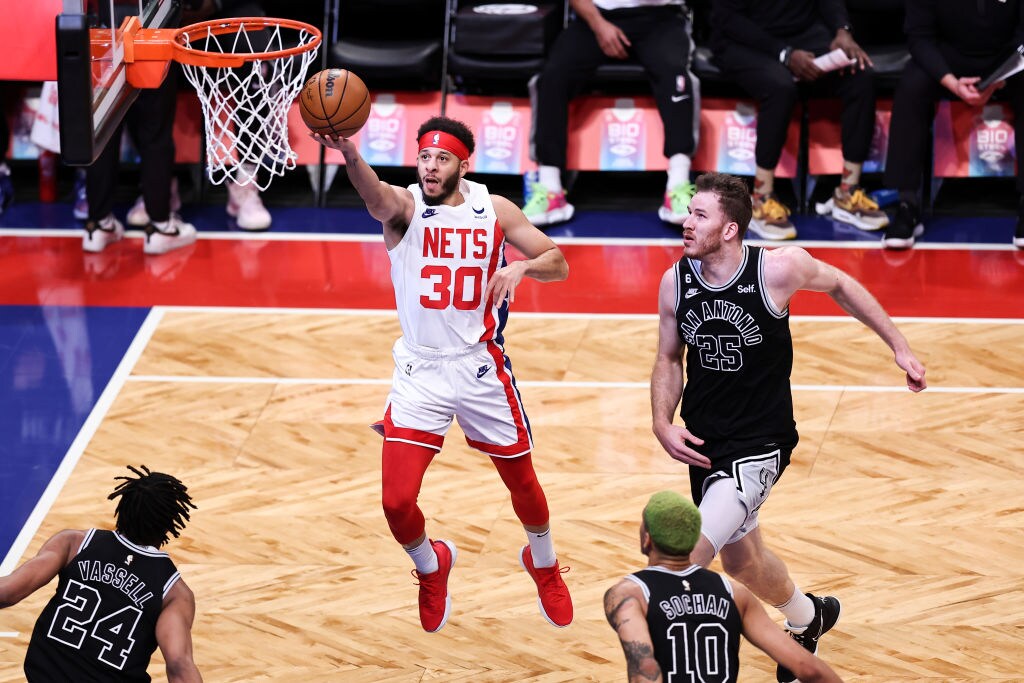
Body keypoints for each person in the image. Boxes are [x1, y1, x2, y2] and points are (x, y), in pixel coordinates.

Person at [650, 172, 926, 683]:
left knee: (686, 564)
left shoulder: (777, 270)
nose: (686, 223)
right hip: (705, 442)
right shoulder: (676, 280)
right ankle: (809, 617)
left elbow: (842, 284)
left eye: (699, 215)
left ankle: (697, 671)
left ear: (730, 229)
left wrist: (899, 346)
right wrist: (661, 422)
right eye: (689, 212)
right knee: (743, 562)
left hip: (760, 445)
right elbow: (669, 358)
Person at [313, 116, 573, 632]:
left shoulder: (493, 209)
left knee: (523, 484)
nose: (430, 168)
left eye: (442, 159)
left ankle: (543, 565)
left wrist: (522, 267)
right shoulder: (404, 209)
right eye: (424, 157)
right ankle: (433, 567)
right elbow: (376, 197)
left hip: (479, 367)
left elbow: (558, 261)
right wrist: (349, 153)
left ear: (463, 165)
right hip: (420, 372)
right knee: (395, 501)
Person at [605, 490, 844, 683]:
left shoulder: (629, 595)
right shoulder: (735, 595)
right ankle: (809, 615)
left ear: (647, 540)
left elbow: (645, 667)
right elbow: (808, 667)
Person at [0, 465, 202, 682]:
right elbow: (179, 665)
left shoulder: (74, 544)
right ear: (170, 525)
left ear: (122, 507)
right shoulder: (173, 592)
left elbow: (7, 592)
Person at [711, 0, 887, 239]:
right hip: (742, 40)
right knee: (780, 87)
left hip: (802, 36)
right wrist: (784, 54)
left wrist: (842, 30)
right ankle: (761, 197)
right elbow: (726, 18)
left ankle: (847, 192)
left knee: (861, 75)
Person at [525, 0, 700, 227]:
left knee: (676, 76)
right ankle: (550, 190)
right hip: (597, 18)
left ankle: (677, 185)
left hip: (661, 19)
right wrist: (599, 25)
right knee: (552, 77)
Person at [882, 0, 1024, 250]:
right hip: (948, 57)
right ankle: (907, 204)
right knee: (911, 86)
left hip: (1007, 57)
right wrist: (951, 81)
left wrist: (996, 80)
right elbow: (919, 38)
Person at [83, 2, 197, 255]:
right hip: (151, 33)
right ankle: (160, 226)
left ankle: (98, 225)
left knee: (102, 130)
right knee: (155, 135)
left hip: (104, 32)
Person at [181, 0, 276, 231]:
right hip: (169, 15)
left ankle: (245, 179)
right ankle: (159, 187)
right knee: (147, 62)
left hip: (230, 8)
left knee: (256, 63)